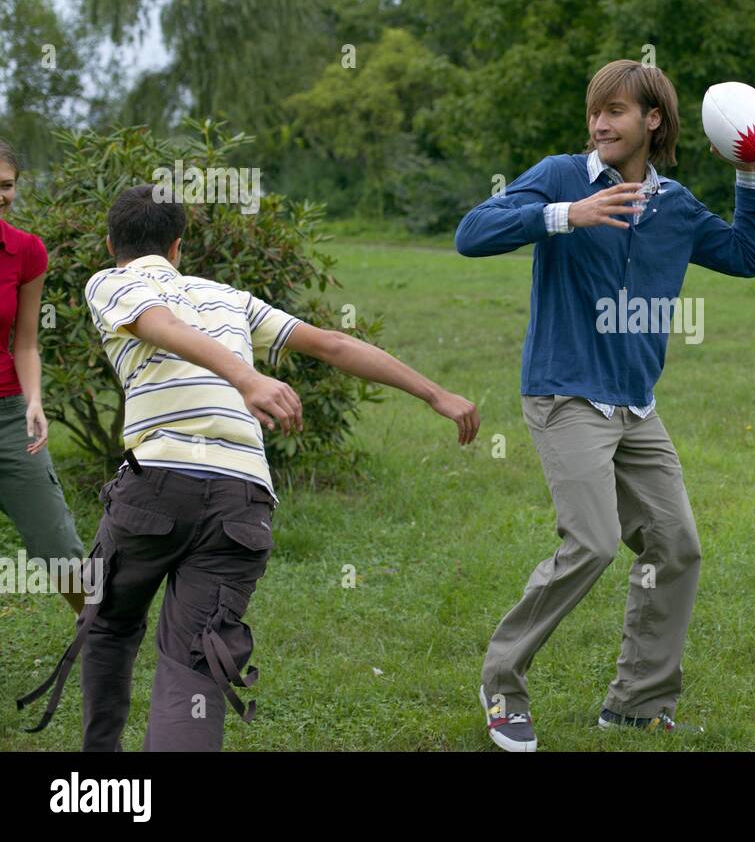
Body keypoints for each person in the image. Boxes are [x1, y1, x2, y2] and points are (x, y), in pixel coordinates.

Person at [18, 183, 479, 750]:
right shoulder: (228, 297)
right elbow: (333, 343)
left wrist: (246, 377)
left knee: (109, 623)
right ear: (179, 248)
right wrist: (435, 394)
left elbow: (157, 324)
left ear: (111, 242)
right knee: (194, 665)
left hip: (157, 485)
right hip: (241, 501)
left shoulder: (109, 281)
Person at [455, 59, 755, 751]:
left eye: (617, 111)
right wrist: (565, 217)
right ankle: (502, 680)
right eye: (596, 111)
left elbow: (746, 257)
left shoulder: (676, 206)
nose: (600, 123)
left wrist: (751, 174)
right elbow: (471, 232)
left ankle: (636, 703)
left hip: (636, 406)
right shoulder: (564, 176)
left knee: (677, 545)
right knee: (594, 541)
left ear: (652, 121)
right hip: (564, 391)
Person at [0, 139, 86, 614]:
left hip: (11, 417)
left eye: (7, 185)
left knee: (60, 548)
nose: (0, 195)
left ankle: (105, 645)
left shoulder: (26, 252)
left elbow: (26, 343)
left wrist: (35, 400)